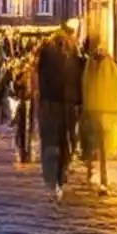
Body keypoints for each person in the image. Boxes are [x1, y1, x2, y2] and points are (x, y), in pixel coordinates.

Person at [37, 26, 81, 201]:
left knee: (57, 140)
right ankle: (58, 176)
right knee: (62, 140)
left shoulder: (55, 58)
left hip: (58, 104)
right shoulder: (69, 58)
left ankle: (56, 176)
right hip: (62, 104)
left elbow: (43, 80)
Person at [81, 39, 117, 196]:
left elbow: (85, 87)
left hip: (97, 111)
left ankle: (96, 172)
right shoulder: (109, 67)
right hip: (103, 111)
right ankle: (100, 175)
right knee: (100, 146)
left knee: (96, 145)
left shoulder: (91, 67)